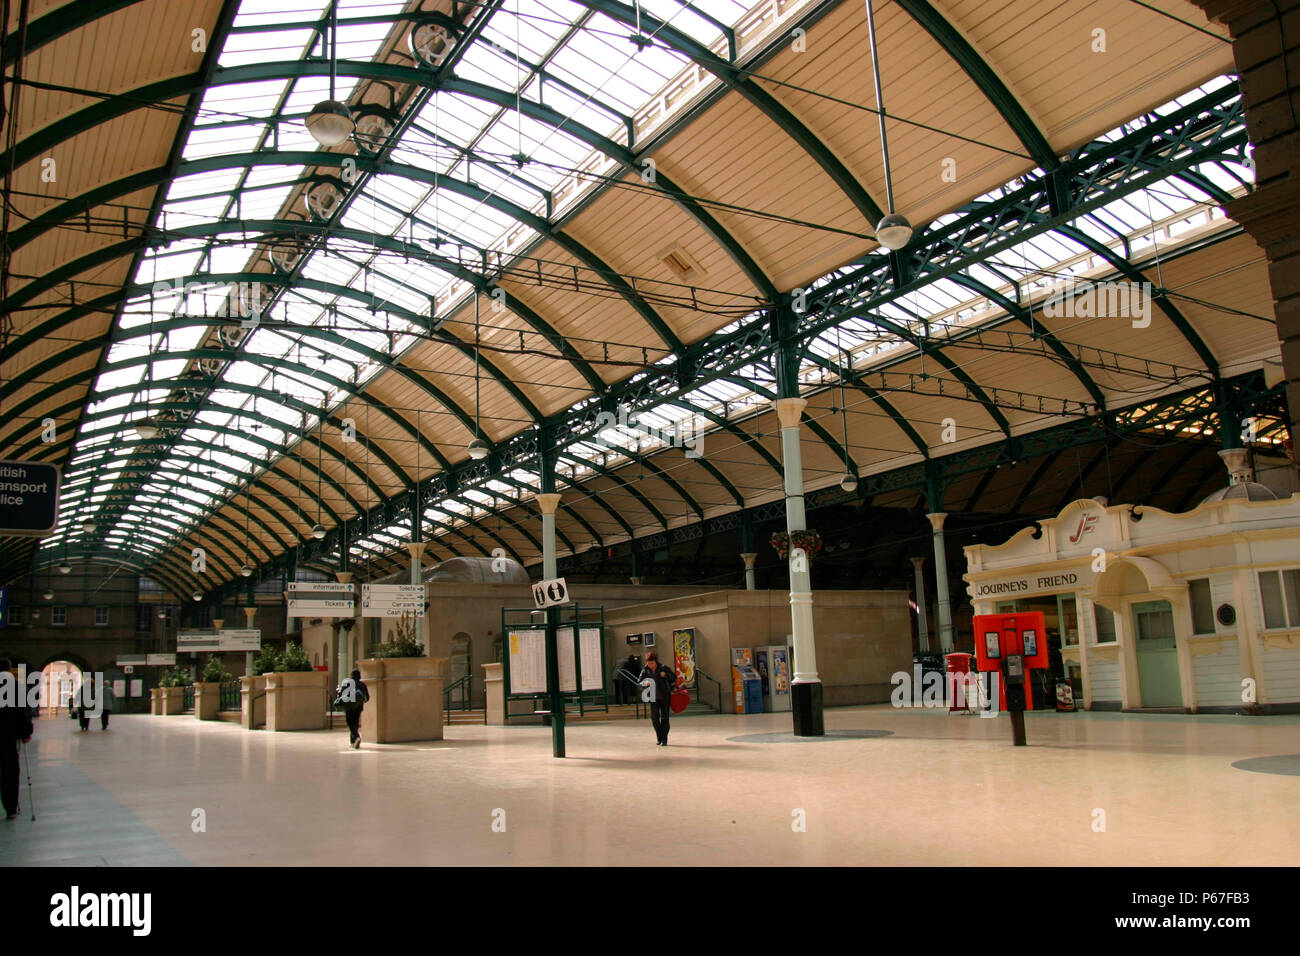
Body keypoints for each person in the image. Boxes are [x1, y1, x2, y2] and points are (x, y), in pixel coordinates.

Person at [0, 659, 34, 820]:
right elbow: (24, 713)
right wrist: (26, 733)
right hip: (8, 736)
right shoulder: (17, 687)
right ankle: (11, 808)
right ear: (9, 669)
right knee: (10, 771)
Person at [639, 652, 678, 747]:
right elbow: (639, 683)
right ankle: (659, 737)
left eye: (652, 663)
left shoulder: (663, 667)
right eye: (648, 663)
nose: (650, 665)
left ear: (655, 661)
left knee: (665, 718)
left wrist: (665, 675)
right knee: (655, 719)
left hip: (664, 696)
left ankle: (664, 739)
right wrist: (645, 683)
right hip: (653, 698)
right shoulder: (645, 670)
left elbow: (674, 677)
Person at [334, 669, 369, 749]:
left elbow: (341, 694)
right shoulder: (362, 685)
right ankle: (353, 742)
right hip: (358, 707)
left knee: (350, 722)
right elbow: (367, 697)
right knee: (355, 723)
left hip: (349, 706)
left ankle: (356, 737)